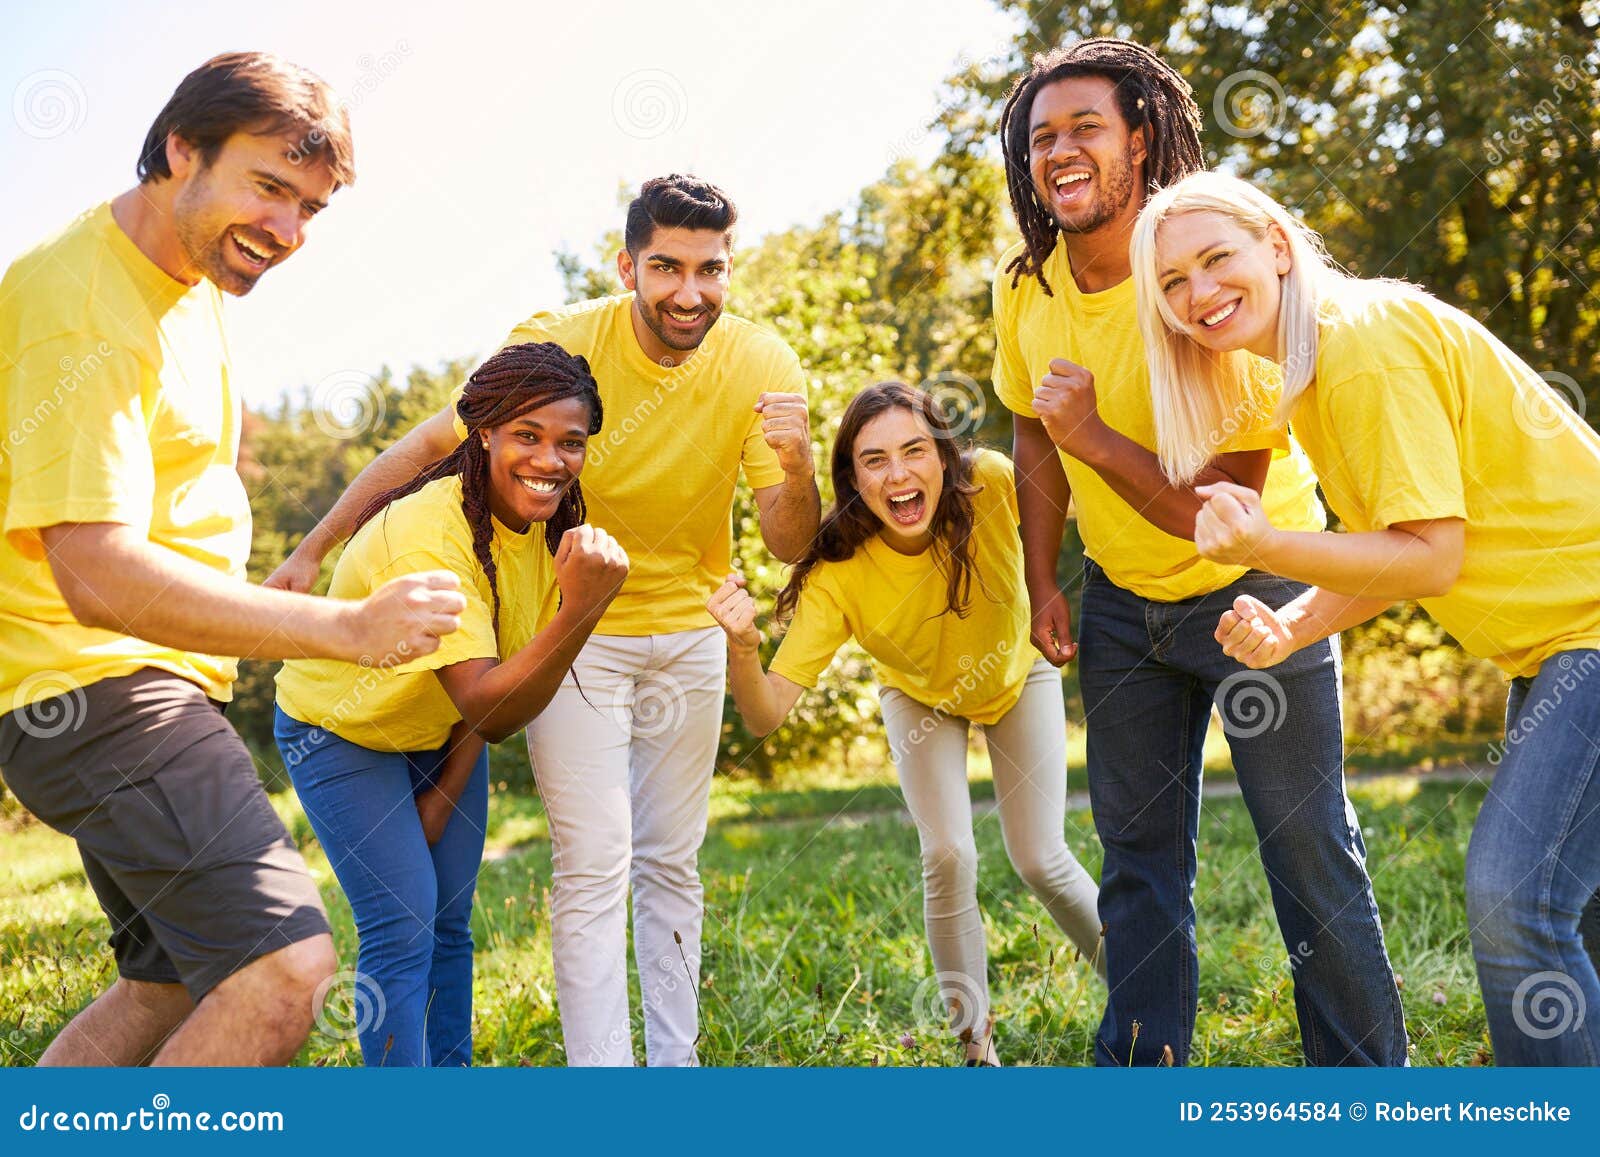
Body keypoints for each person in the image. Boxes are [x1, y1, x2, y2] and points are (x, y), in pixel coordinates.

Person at [262, 175, 819, 1065]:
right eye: (666, 266)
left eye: (710, 270)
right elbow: (424, 448)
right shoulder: (554, 346)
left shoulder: (761, 363)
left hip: (681, 633)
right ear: (627, 264)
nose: (689, 292)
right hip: (571, 636)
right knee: (590, 864)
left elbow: (793, 542)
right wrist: (313, 548)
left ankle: (672, 1073)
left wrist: (796, 459)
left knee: (669, 863)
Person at [0, 52, 468, 1067]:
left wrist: (280, 575)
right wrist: (346, 628)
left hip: (136, 685)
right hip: (98, 687)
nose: (288, 231)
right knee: (282, 969)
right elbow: (95, 574)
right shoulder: (81, 300)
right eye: (269, 187)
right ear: (181, 149)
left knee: (167, 982)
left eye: (310, 208)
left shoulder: (186, 281)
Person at [990, 37, 1405, 1065]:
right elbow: (1032, 428)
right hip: (1122, 604)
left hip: (1259, 587)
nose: (1060, 150)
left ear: (1139, 136)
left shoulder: (1201, 277)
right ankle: (1141, 1080)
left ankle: (1366, 1092)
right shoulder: (1026, 284)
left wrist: (1091, 435)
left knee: (1306, 849)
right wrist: (1047, 578)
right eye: (1042, 136)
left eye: (1086, 126)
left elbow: (1221, 507)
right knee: (1136, 862)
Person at [1132, 168, 1600, 1066]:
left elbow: (1432, 557)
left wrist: (1265, 546)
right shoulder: (1313, 372)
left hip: (1588, 640)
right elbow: (1396, 550)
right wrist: (1293, 625)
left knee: (1517, 903)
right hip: (1555, 653)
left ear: (1275, 244)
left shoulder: (1360, 345)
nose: (1197, 294)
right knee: (1566, 918)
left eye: (1214, 258)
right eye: (1172, 283)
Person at [707, 382, 1104, 1066]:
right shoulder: (839, 570)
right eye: (874, 460)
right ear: (852, 478)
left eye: (915, 450)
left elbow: (1082, 511)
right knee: (947, 853)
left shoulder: (995, 484)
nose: (898, 474)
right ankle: (976, 1049)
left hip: (1016, 671)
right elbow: (766, 711)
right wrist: (743, 650)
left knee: (1041, 857)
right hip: (919, 697)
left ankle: (1147, 993)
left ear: (945, 457)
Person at [274, 342, 628, 1066]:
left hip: (440, 728)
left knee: (448, 923)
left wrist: (443, 791)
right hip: (343, 732)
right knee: (401, 921)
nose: (550, 460)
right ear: (484, 432)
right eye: (526, 435)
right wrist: (582, 610)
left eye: (571, 443)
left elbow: (489, 689)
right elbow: (489, 701)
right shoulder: (430, 533)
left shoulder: (543, 529)